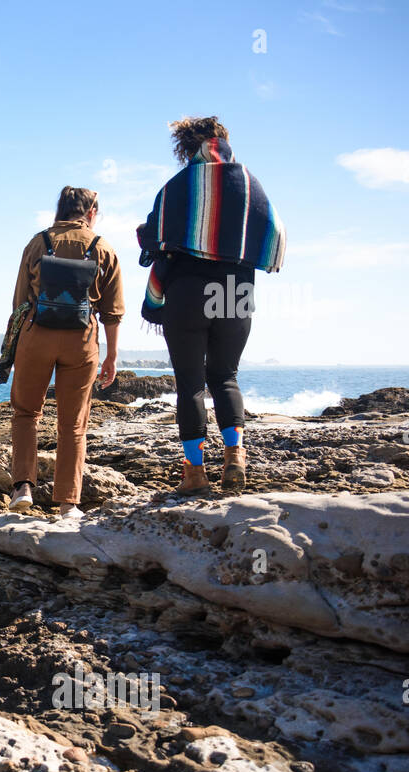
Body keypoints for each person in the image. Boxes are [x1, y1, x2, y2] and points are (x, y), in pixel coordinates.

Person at [136, 116, 286, 494]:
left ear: (188, 147)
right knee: (226, 376)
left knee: (191, 385)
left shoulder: (179, 185)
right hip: (236, 290)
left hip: (187, 292)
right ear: (223, 142)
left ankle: (195, 473)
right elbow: (275, 233)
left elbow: (154, 235)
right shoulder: (250, 185)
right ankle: (235, 457)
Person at [0, 186, 123, 518]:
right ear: (91, 212)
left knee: (26, 413)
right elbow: (113, 311)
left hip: (37, 333)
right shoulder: (103, 248)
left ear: (60, 209)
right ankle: (68, 503)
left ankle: (22, 487)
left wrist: (14, 344)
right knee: (74, 424)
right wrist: (111, 356)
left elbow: (20, 302)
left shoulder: (38, 243)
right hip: (82, 341)